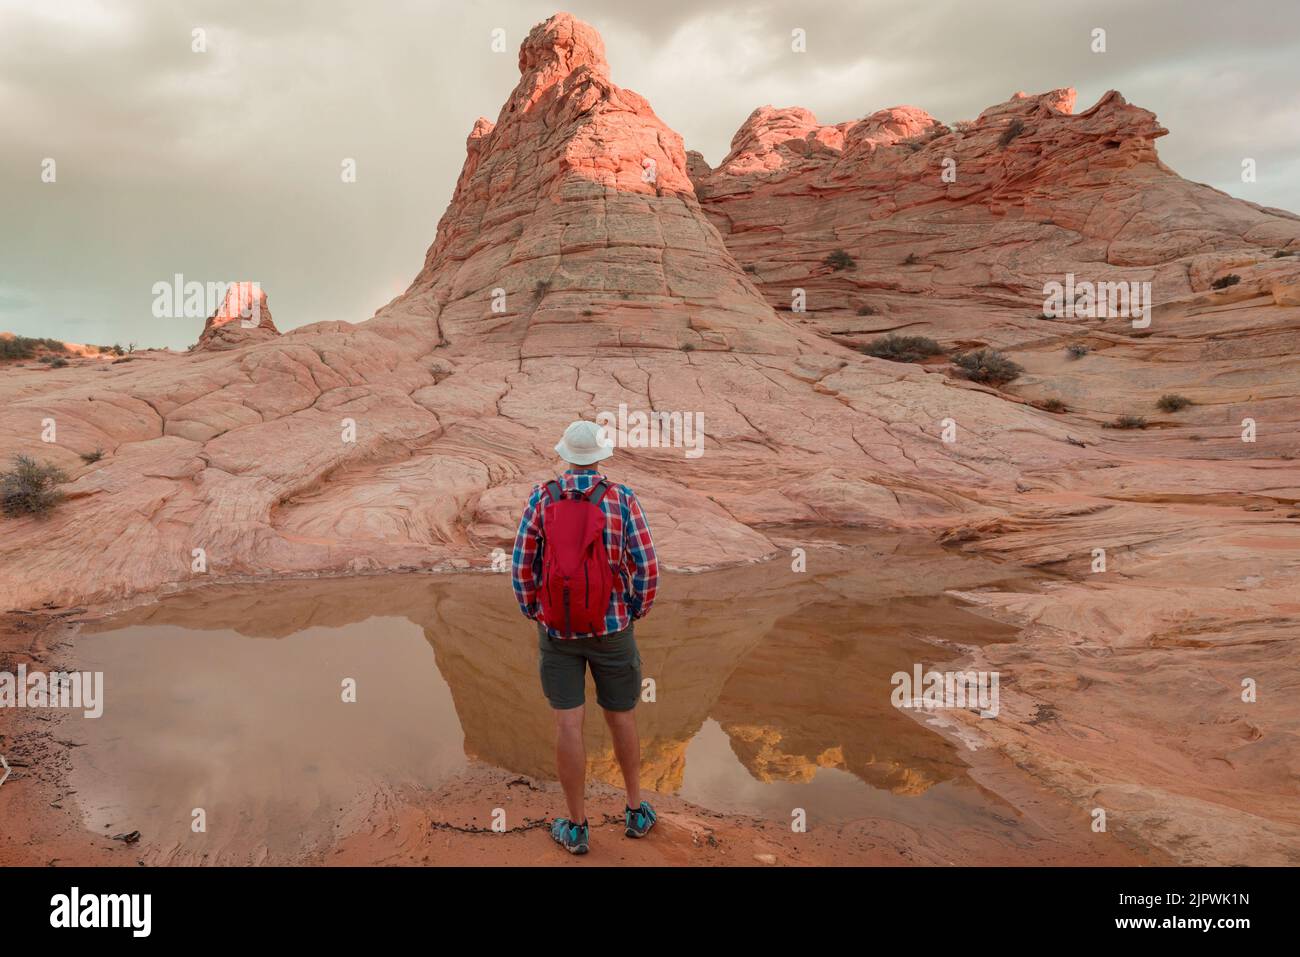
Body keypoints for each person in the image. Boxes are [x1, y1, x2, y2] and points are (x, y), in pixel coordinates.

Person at [511, 419, 659, 855]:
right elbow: (647, 566)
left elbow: (522, 565)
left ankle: (576, 826)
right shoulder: (621, 499)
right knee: (622, 717)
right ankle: (635, 811)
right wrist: (634, 610)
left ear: (565, 455)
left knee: (568, 723)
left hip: (557, 629)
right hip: (612, 629)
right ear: (600, 455)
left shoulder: (542, 497)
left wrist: (534, 612)